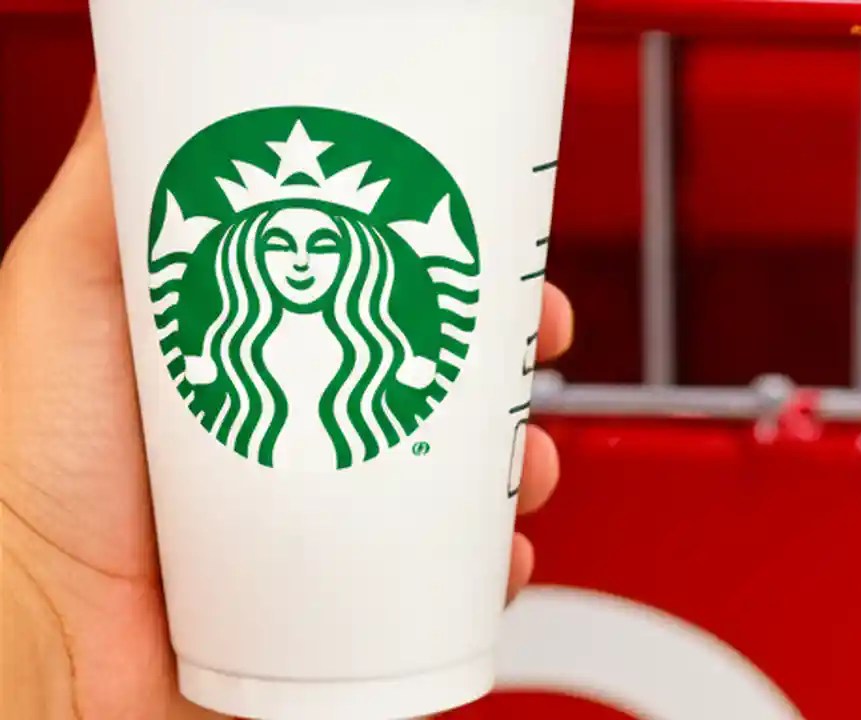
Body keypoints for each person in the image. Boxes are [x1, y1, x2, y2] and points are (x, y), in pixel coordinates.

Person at [0, 88, 572, 719]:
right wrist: (35, 572)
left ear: (358, 256)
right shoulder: (227, 357)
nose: (300, 262)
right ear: (246, 253)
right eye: (279, 245)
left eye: (323, 246)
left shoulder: (382, 360)